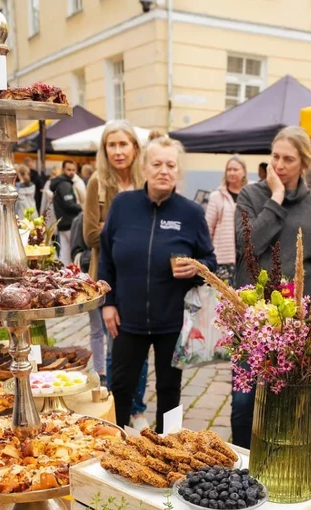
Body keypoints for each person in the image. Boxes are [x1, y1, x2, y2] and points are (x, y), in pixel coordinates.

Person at [101, 135, 216, 431]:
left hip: (172, 322)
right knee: (120, 386)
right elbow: (106, 259)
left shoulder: (191, 213)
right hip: (127, 319)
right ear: (144, 168)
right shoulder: (123, 205)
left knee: (170, 391)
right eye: (157, 164)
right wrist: (108, 303)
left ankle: (170, 446)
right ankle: (115, 444)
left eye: (170, 165)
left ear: (177, 171)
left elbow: (211, 262)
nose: (164, 170)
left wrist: (196, 267)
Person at [230, 127, 311, 449]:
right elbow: (246, 246)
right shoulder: (250, 196)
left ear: (304, 163)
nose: (280, 165)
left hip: (297, 321)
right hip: (253, 317)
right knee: (244, 399)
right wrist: (275, 199)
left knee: (290, 396)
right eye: (275, 157)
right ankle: (245, 460)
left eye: (289, 159)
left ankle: (280, 459)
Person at [83, 120, 146, 408]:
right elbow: (90, 234)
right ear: (104, 150)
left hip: (140, 276)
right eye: (112, 145)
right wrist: (127, 232)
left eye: (123, 144)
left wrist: (113, 227)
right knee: (114, 343)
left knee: (141, 344)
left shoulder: (145, 181)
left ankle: (138, 406)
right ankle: (116, 405)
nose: (118, 151)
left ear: (135, 148)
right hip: (107, 276)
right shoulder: (98, 183)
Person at [206, 155, 247, 281]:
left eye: (235, 169)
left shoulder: (249, 195)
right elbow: (208, 228)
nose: (232, 173)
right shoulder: (216, 196)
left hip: (245, 259)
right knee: (222, 298)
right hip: (223, 259)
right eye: (229, 170)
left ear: (244, 172)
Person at [51, 159, 81, 264]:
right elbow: (69, 204)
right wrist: (82, 208)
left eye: (73, 170)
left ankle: (65, 274)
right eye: (69, 169)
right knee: (73, 253)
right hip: (70, 223)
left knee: (65, 252)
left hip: (62, 222)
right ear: (63, 170)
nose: (71, 172)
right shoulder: (65, 184)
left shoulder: (59, 183)